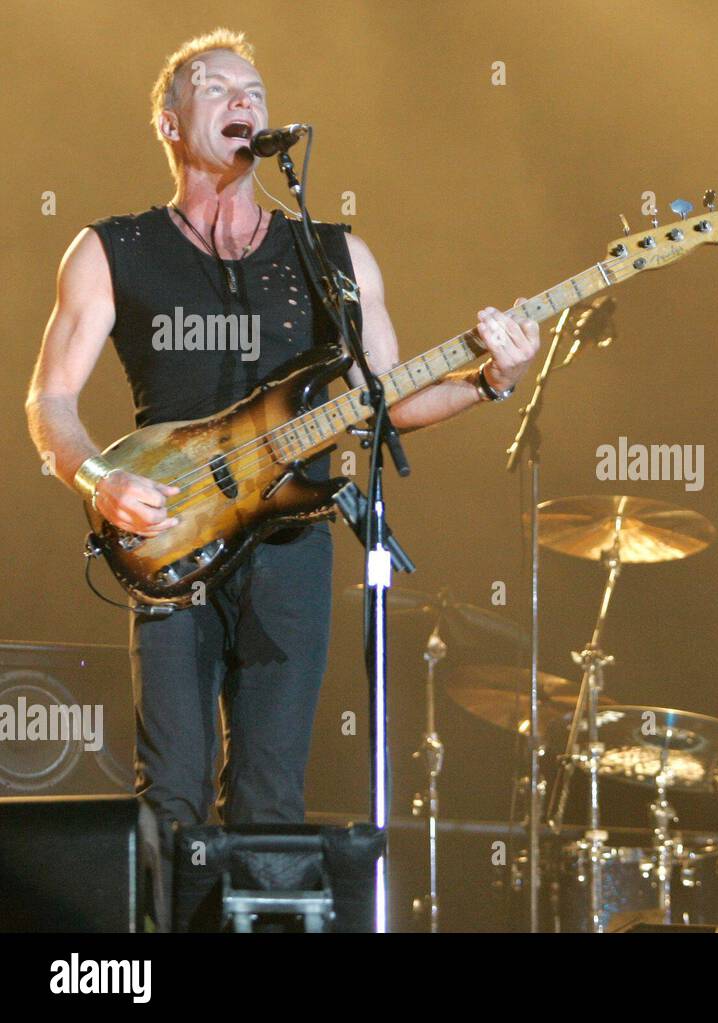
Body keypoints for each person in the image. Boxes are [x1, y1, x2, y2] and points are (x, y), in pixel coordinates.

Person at [24, 29, 541, 846]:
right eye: (219, 88)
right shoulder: (110, 248)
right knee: (173, 798)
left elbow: (386, 401)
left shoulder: (331, 252)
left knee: (270, 796)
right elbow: (49, 399)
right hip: (172, 533)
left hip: (293, 542)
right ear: (169, 121)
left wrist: (490, 378)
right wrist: (98, 481)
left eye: (255, 92)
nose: (244, 102)